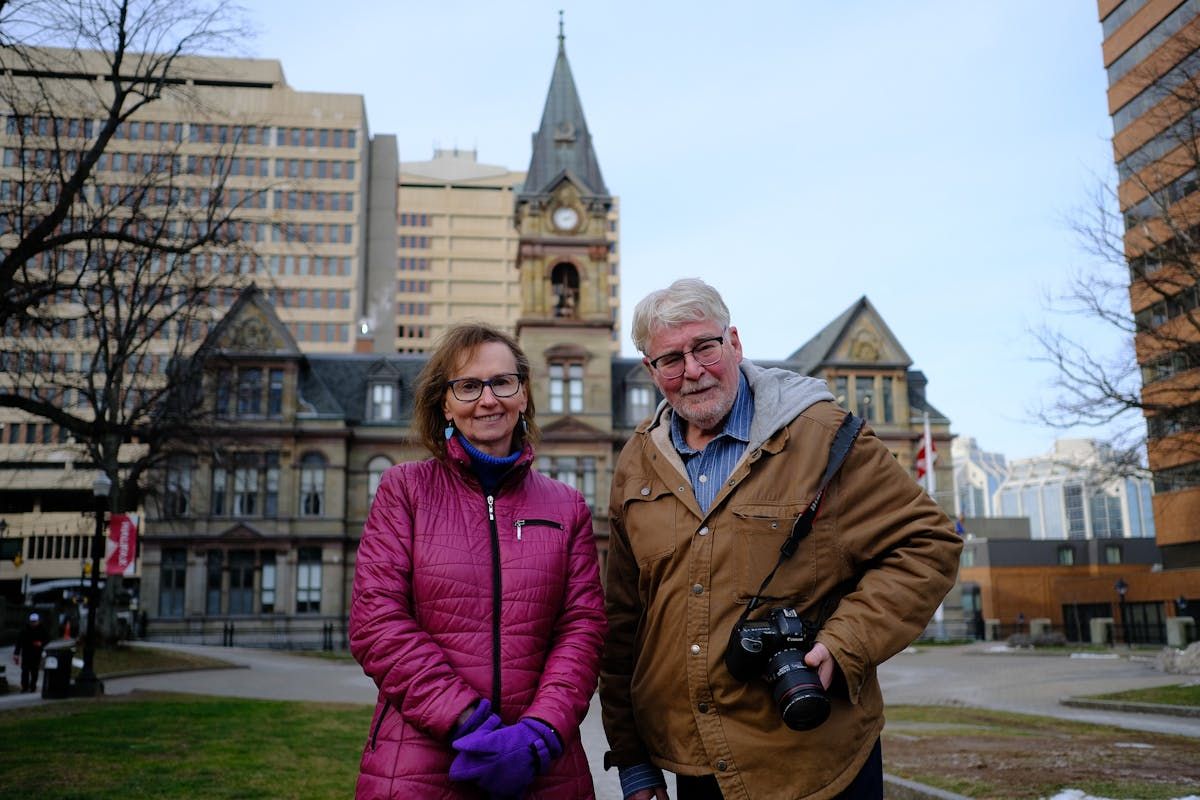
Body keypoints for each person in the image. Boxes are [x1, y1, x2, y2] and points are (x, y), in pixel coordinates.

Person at [600, 278, 962, 800]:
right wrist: (633, 759)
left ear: (735, 342)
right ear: (651, 371)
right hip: (695, 767)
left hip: (817, 759)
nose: (693, 371)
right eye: (670, 360)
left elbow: (929, 543)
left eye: (705, 346)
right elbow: (625, 622)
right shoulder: (637, 462)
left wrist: (847, 641)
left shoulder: (824, 436)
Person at [349, 323, 607, 800]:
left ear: (523, 394)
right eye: (468, 386)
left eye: (502, 383)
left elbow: (583, 629)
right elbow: (376, 622)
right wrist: (470, 723)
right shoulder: (405, 490)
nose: (488, 400)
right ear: (445, 403)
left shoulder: (566, 506)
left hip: (543, 766)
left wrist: (540, 732)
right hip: (420, 762)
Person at [13, 612, 48, 693]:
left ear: (38, 621)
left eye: (35, 621)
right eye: (32, 621)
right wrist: (16, 654)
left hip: (36, 654)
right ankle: (24, 687)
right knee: (25, 671)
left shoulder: (42, 630)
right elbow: (19, 642)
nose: (33, 623)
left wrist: (41, 643)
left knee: (34, 671)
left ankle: (33, 686)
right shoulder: (24, 630)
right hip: (26, 653)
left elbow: (47, 639)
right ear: (29, 621)